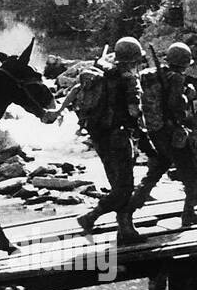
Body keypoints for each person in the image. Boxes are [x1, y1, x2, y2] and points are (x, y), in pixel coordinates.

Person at [45, 36, 148, 242]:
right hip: (119, 136)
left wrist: (59, 111)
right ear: (133, 59)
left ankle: (125, 229)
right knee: (125, 187)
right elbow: (134, 110)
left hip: (99, 135)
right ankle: (91, 216)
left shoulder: (100, 70)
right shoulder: (128, 78)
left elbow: (75, 89)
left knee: (116, 183)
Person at [129, 42, 197, 227]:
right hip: (171, 131)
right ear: (185, 62)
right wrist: (189, 95)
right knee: (193, 172)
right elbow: (175, 106)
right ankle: (189, 213)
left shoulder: (154, 75)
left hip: (155, 131)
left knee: (157, 170)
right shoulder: (176, 79)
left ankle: (128, 211)